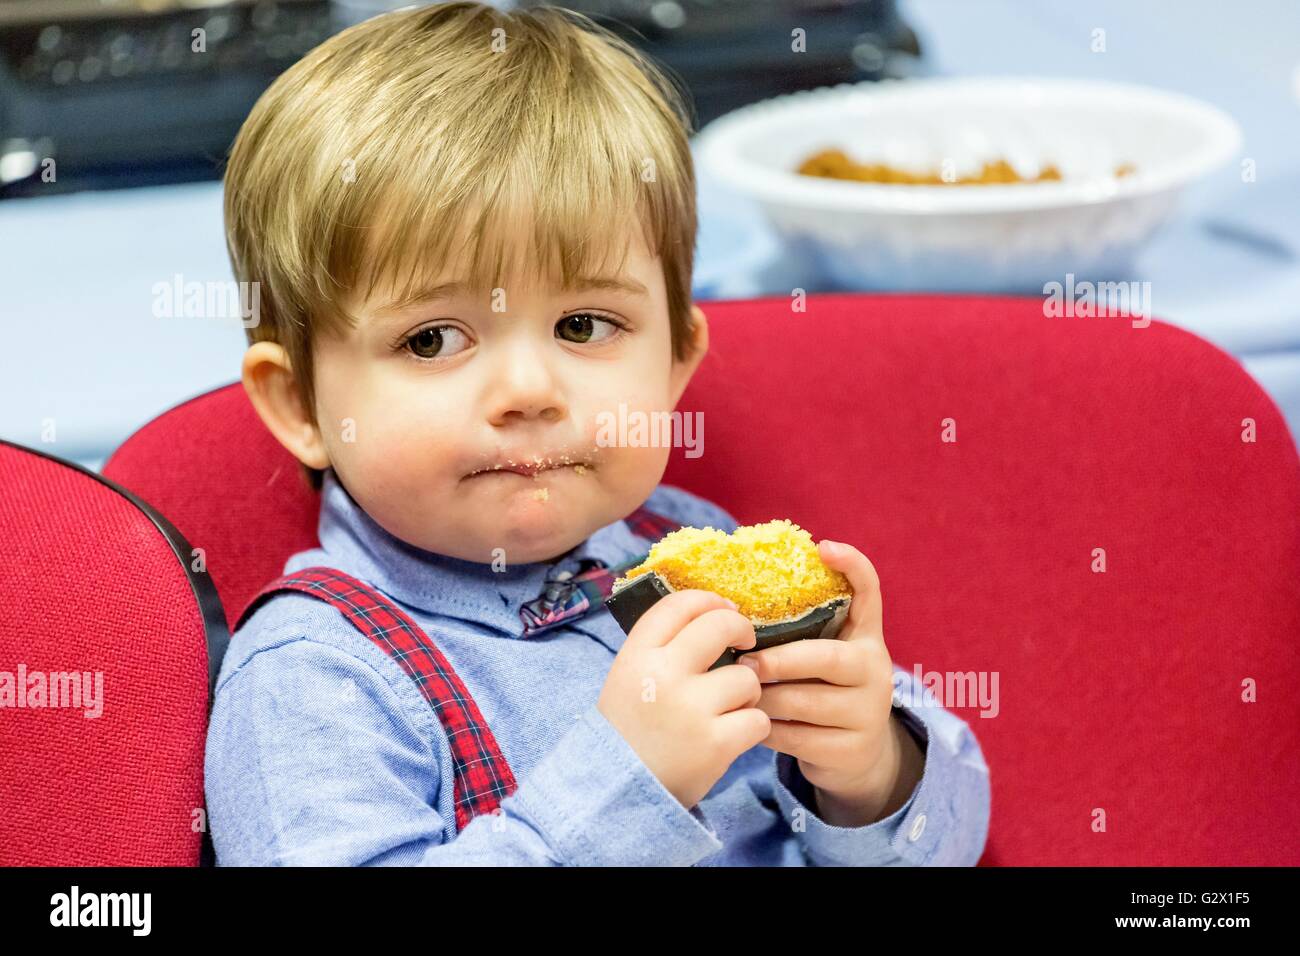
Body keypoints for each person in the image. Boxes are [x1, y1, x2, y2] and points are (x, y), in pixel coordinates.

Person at [205, 1, 990, 865]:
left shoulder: (697, 547)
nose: (530, 391)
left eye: (583, 326)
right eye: (432, 339)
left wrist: (871, 771)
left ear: (677, 361)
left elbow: (953, 836)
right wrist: (626, 786)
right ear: (301, 406)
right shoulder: (312, 678)